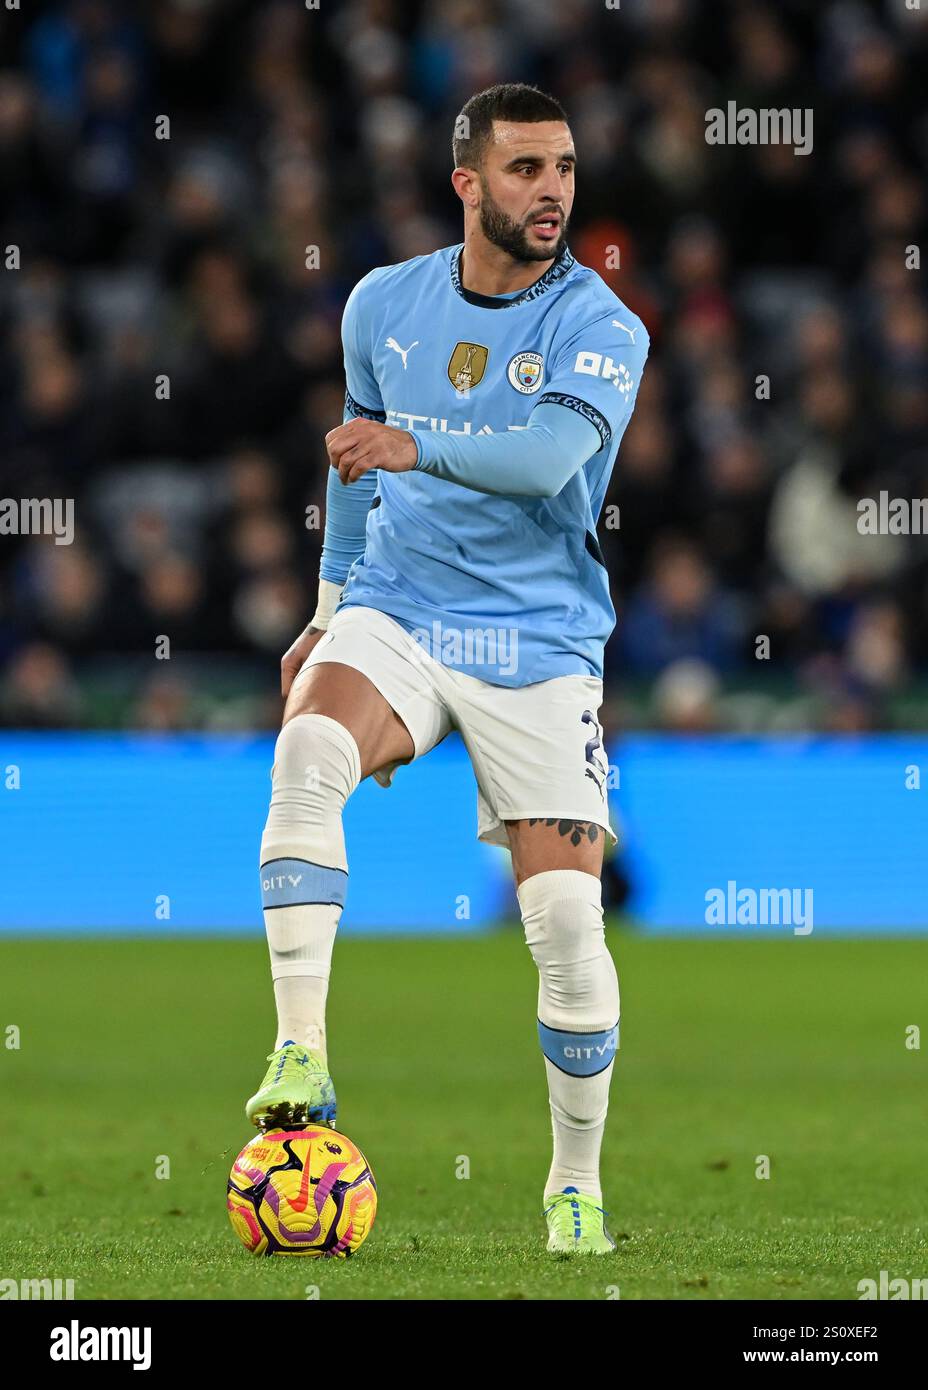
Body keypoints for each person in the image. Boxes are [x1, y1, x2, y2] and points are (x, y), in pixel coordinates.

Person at [246, 83, 649, 1254]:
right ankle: (301, 1050)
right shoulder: (382, 304)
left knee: (568, 925)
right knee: (310, 746)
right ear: (467, 181)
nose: (553, 192)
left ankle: (574, 1184)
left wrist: (414, 440)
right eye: (525, 170)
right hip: (403, 609)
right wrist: (327, 611)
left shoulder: (601, 324)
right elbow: (350, 465)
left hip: (536, 641)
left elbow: (543, 458)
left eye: (565, 168)